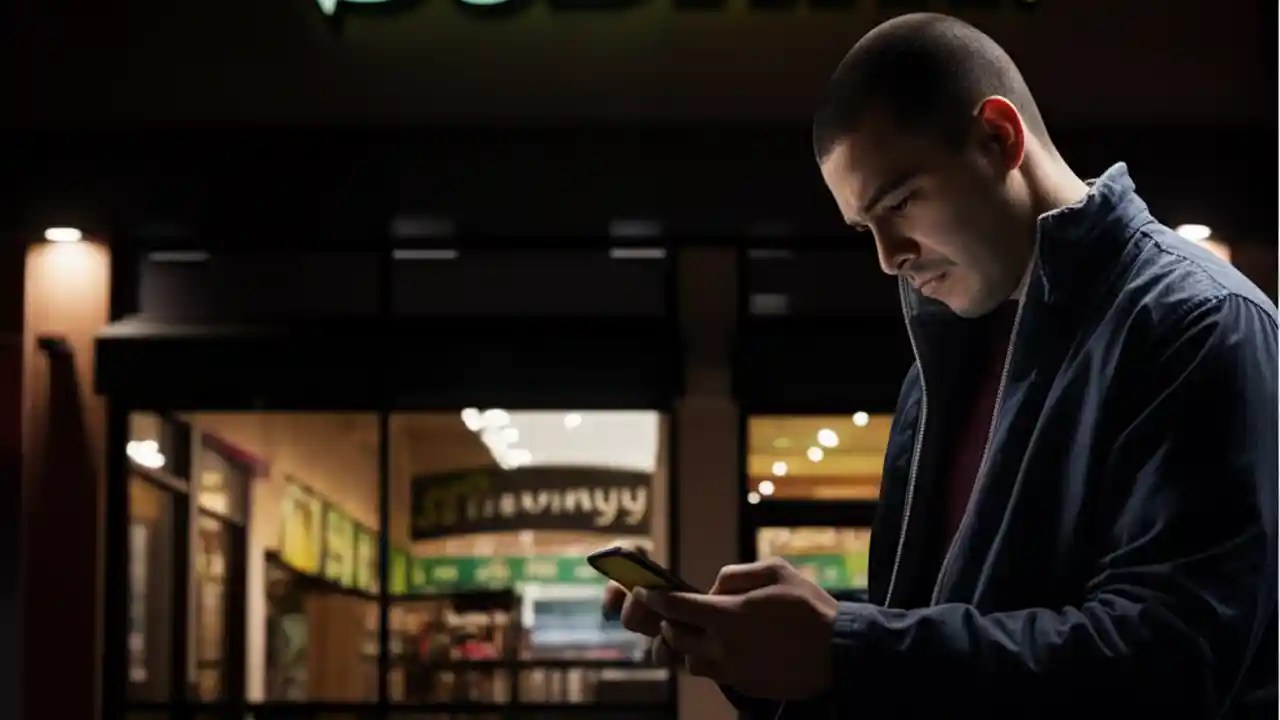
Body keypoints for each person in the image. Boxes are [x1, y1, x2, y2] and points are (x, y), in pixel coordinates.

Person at [603, 12, 1277, 719]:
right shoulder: (941, 372)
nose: (888, 256)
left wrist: (846, 648)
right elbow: (935, 666)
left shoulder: (1197, 322)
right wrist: (764, 656)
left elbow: (1172, 664)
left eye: (899, 203)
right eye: (866, 228)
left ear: (999, 137)